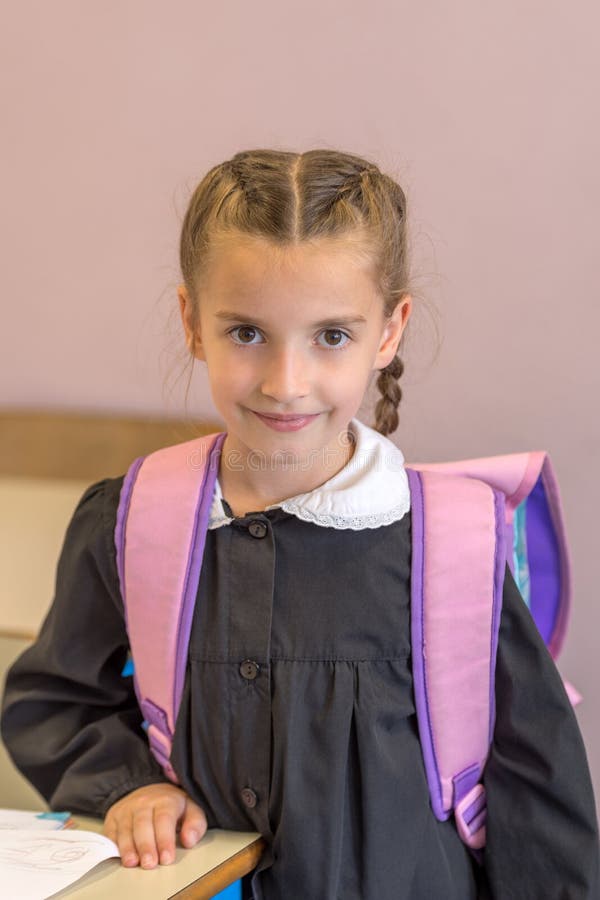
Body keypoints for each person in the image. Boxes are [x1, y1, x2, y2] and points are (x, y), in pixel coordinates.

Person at [1, 148, 599, 900]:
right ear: (192, 322)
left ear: (389, 331)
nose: (286, 384)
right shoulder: (132, 520)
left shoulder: (453, 544)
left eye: (331, 336)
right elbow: (55, 700)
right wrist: (126, 788)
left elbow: (537, 786)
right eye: (247, 333)